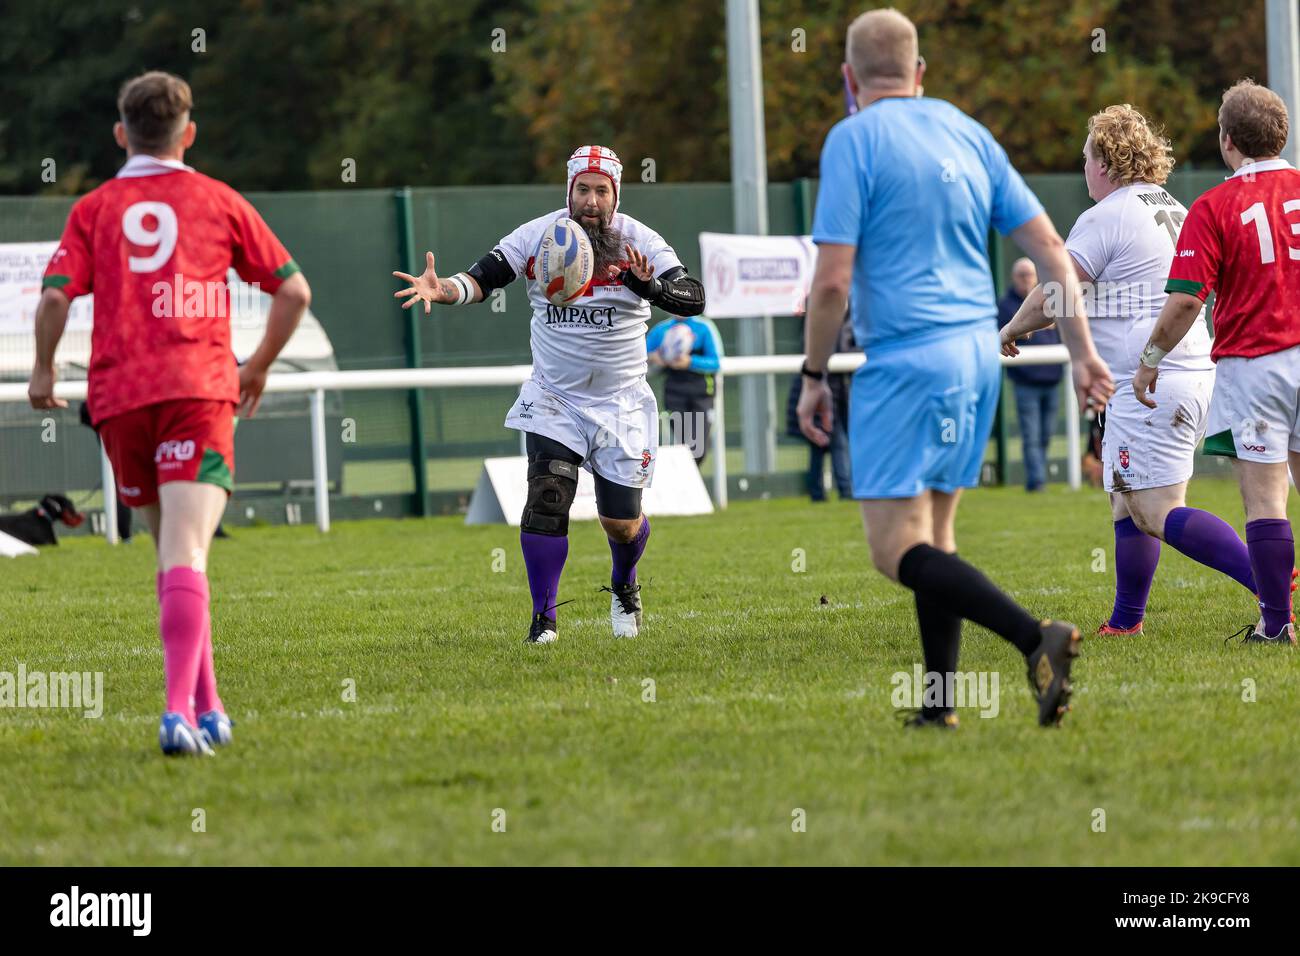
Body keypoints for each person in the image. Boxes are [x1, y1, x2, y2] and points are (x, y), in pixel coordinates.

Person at [797, 9, 1113, 729]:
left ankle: (1037, 639)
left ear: (849, 79)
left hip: (909, 358)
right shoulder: (967, 132)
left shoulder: (852, 139)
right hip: (977, 355)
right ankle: (939, 706)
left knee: (893, 548)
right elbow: (1054, 250)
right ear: (920, 73)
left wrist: (815, 373)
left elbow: (830, 284)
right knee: (936, 537)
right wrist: (1082, 353)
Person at [28, 71, 310, 755]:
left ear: (122, 134)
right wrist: (259, 365)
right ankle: (177, 713)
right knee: (186, 550)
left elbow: (58, 297)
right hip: (195, 388)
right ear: (189, 134)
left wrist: (42, 368)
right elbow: (293, 291)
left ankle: (210, 708)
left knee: (169, 552)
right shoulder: (216, 199)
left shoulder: (93, 208)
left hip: (121, 396)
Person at [393, 146, 705, 644]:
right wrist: (443, 289)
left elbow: (693, 297)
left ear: (615, 195)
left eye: (602, 191)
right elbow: (481, 278)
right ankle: (544, 620)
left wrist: (650, 289)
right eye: (583, 188)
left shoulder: (639, 241)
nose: (592, 200)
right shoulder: (539, 235)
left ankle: (624, 583)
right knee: (547, 497)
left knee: (620, 523)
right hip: (554, 396)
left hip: (622, 402)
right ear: (569, 190)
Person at [1002, 104, 1266, 638]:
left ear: (1104, 161)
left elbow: (1057, 289)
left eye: (1086, 157)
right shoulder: (1172, 203)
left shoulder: (1108, 214)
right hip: (1189, 369)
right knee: (1127, 499)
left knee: (1154, 508)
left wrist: (1011, 329)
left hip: (1150, 380)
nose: (1084, 168)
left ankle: (1268, 578)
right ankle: (1126, 621)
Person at [1134, 79, 1300, 645]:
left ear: (1227, 141)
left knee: (1265, 499)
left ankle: (1276, 625)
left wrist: (1151, 359)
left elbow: (1185, 300)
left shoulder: (1214, 205)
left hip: (1257, 366)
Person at [997, 257, 1062, 491]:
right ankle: (1037, 482)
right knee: (1031, 435)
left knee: (1045, 434)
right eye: (1021, 274)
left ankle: (1039, 476)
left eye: (1029, 274)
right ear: (1013, 278)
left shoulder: (1053, 299)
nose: (1025, 279)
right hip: (1025, 381)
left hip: (1052, 379)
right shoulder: (1005, 306)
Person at [787, 314, 853, 501]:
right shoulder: (830, 325)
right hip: (825, 393)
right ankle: (840, 490)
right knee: (829, 444)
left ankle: (824, 491)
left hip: (829, 392)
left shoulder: (817, 325)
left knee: (826, 444)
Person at [646, 313, 723, 466]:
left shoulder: (704, 328)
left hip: (702, 395)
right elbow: (640, 354)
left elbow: (716, 362)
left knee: (698, 449)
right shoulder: (662, 329)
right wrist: (653, 357)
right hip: (675, 394)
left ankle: (688, 485)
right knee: (685, 448)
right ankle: (685, 485)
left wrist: (690, 362)